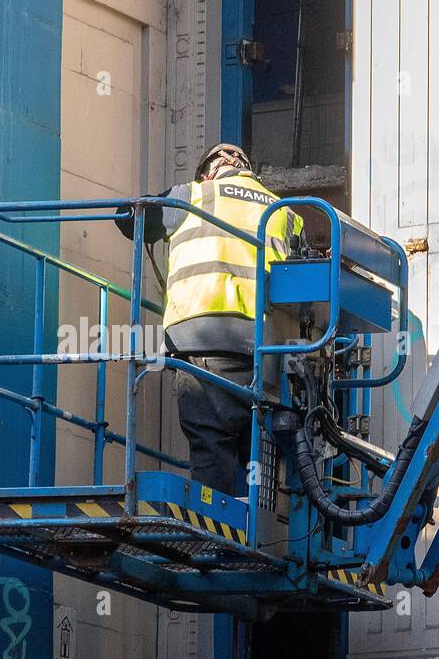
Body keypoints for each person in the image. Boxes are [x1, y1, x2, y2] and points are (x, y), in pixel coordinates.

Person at [116, 143, 304, 494]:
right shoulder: (286, 213)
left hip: (201, 342)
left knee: (210, 445)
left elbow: (127, 218)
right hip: (266, 349)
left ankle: (215, 531)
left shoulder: (192, 196)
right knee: (259, 451)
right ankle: (255, 529)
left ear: (208, 171)